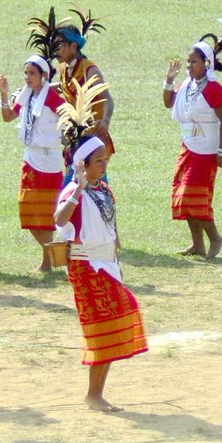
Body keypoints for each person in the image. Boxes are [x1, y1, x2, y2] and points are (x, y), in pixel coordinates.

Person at [54, 112, 148, 412]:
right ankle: (93, 395)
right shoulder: (73, 191)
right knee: (105, 325)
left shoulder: (105, 189)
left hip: (107, 263)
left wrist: (117, 259)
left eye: (105, 160)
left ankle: (96, 394)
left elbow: (111, 229)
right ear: (82, 165)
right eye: (99, 161)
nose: (104, 165)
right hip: (86, 267)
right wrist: (78, 188)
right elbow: (58, 221)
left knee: (113, 320)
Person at [163, 11, 222, 258]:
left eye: (194, 61)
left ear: (206, 64)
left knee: (195, 196)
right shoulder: (186, 85)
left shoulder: (214, 88)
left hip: (206, 150)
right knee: (183, 196)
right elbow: (168, 103)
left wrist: (221, 150)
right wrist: (169, 80)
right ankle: (197, 244)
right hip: (188, 146)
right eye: (189, 61)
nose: (189, 65)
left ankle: (215, 238)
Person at [0, 53, 65, 272]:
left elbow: (69, 118)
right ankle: (52, 254)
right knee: (26, 207)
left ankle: (48, 260)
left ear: (44, 76)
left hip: (50, 159)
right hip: (30, 157)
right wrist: (4, 94)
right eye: (25, 73)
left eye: (32, 73)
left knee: (46, 212)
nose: (27, 77)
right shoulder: (25, 96)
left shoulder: (52, 98)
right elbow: (8, 117)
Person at [53, 9, 115, 160]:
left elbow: (107, 98)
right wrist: (33, 90)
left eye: (60, 45)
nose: (55, 50)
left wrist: (105, 122)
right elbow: (63, 87)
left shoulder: (89, 70)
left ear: (74, 47)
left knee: (90, 180)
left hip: (93, 139)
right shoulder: (64, 69)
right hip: (74, 137)